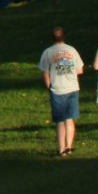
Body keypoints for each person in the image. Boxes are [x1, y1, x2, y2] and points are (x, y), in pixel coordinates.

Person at [39, 26, 85, 156]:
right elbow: (80, 70)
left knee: (60, 120)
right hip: (72, 88)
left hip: (57, 88)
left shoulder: (48, 52)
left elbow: (45, 72)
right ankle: (69, 146)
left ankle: (61, 149)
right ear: (64, 37)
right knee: (69, 118)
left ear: (52, 38)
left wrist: (48, 84)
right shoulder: (72, 50)